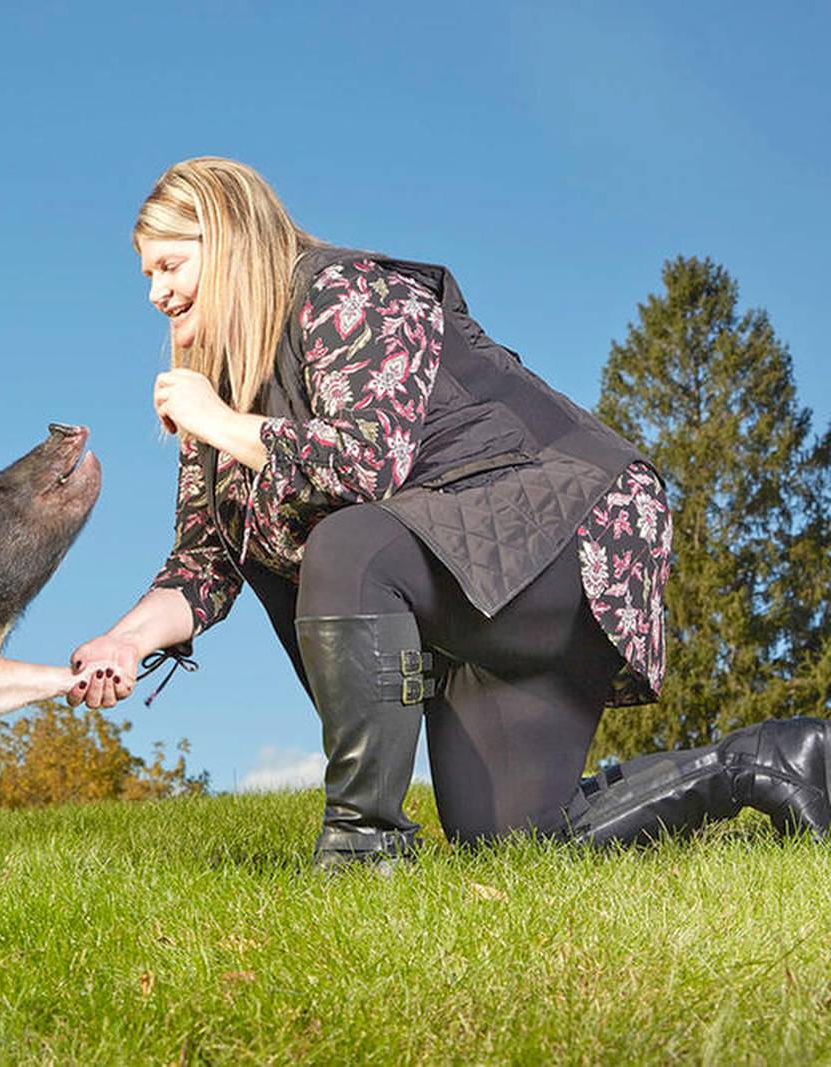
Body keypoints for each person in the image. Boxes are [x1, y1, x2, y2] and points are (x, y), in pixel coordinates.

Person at [67, 156, 831, 869]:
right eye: (147, 275)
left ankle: (363, 852)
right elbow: (203, 565)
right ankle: (763, 763)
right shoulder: (218, 404)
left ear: (230, 239)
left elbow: (367, 462)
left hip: (568, 527)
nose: (156, 294)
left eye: (171, 264)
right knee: (513, 841)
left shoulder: (346, 294)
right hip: (460, 579)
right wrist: (125, 642)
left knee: (350, 542)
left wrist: (223, 423)